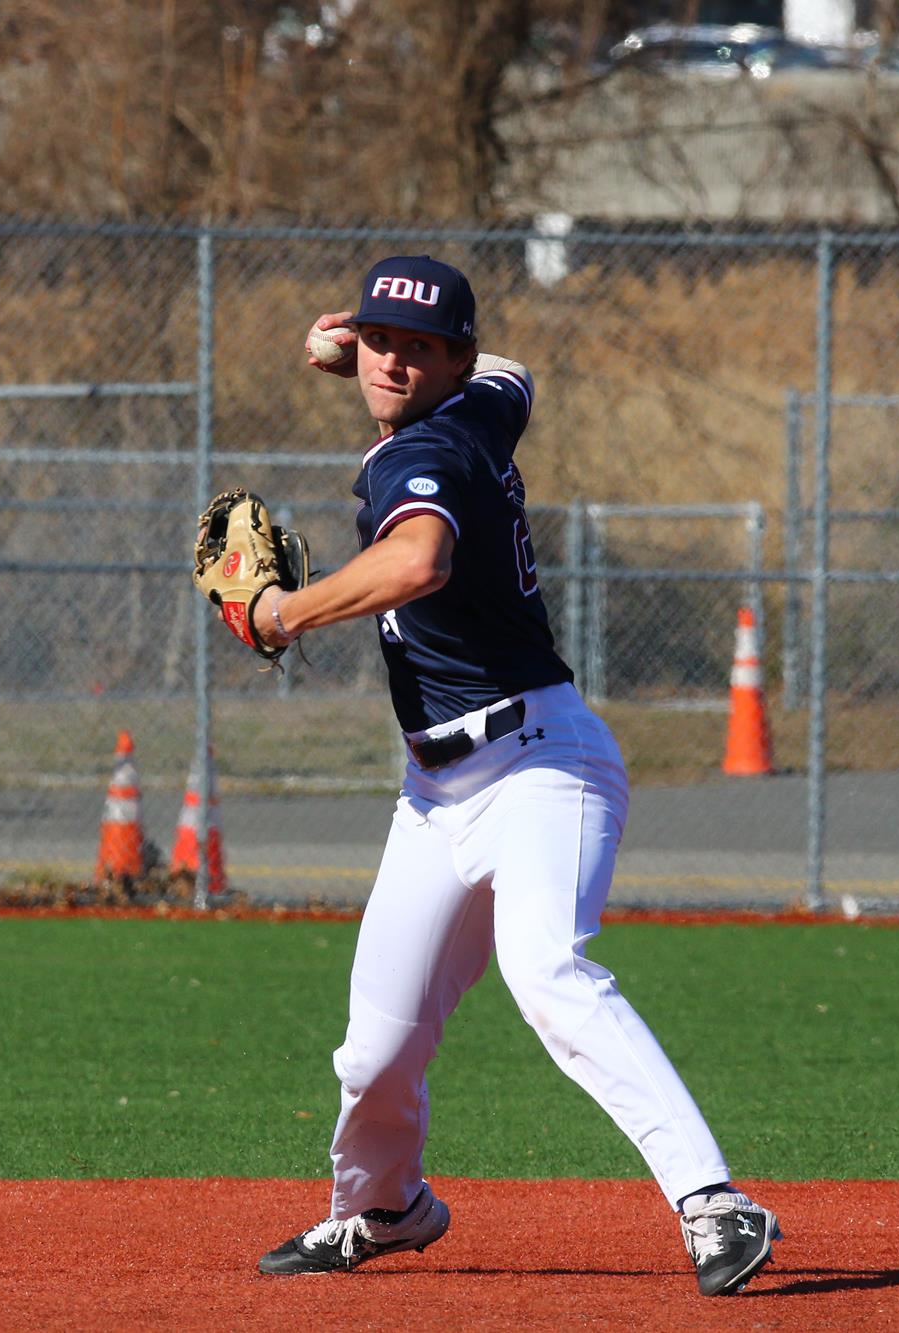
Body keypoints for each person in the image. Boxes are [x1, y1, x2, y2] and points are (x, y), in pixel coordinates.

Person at [245, 255, 780, 1297]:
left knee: (547, 970)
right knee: (373, 1051)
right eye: (377, 340)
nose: (392, 360)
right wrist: (353, 352)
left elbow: (416, 564)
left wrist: (281, 612)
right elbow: (516, 371)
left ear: (450, 357)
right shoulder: (480, 409)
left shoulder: (429, 451)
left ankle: (713, 1200)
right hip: (435, 794)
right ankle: (382, 1205)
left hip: (540, 766)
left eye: (417, 347)